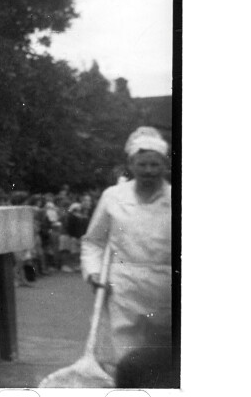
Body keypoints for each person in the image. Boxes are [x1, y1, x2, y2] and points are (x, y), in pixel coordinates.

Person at [80, 126, 173, 373]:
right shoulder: (113, 196)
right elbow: (93, 241)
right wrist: (94, 272)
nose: (149, 171)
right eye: (142, 164)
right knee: (126, 361)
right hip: (124, 289)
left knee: (162, 364)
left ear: (165, 165)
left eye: (155, 165)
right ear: (131, 164)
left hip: (166, 291)